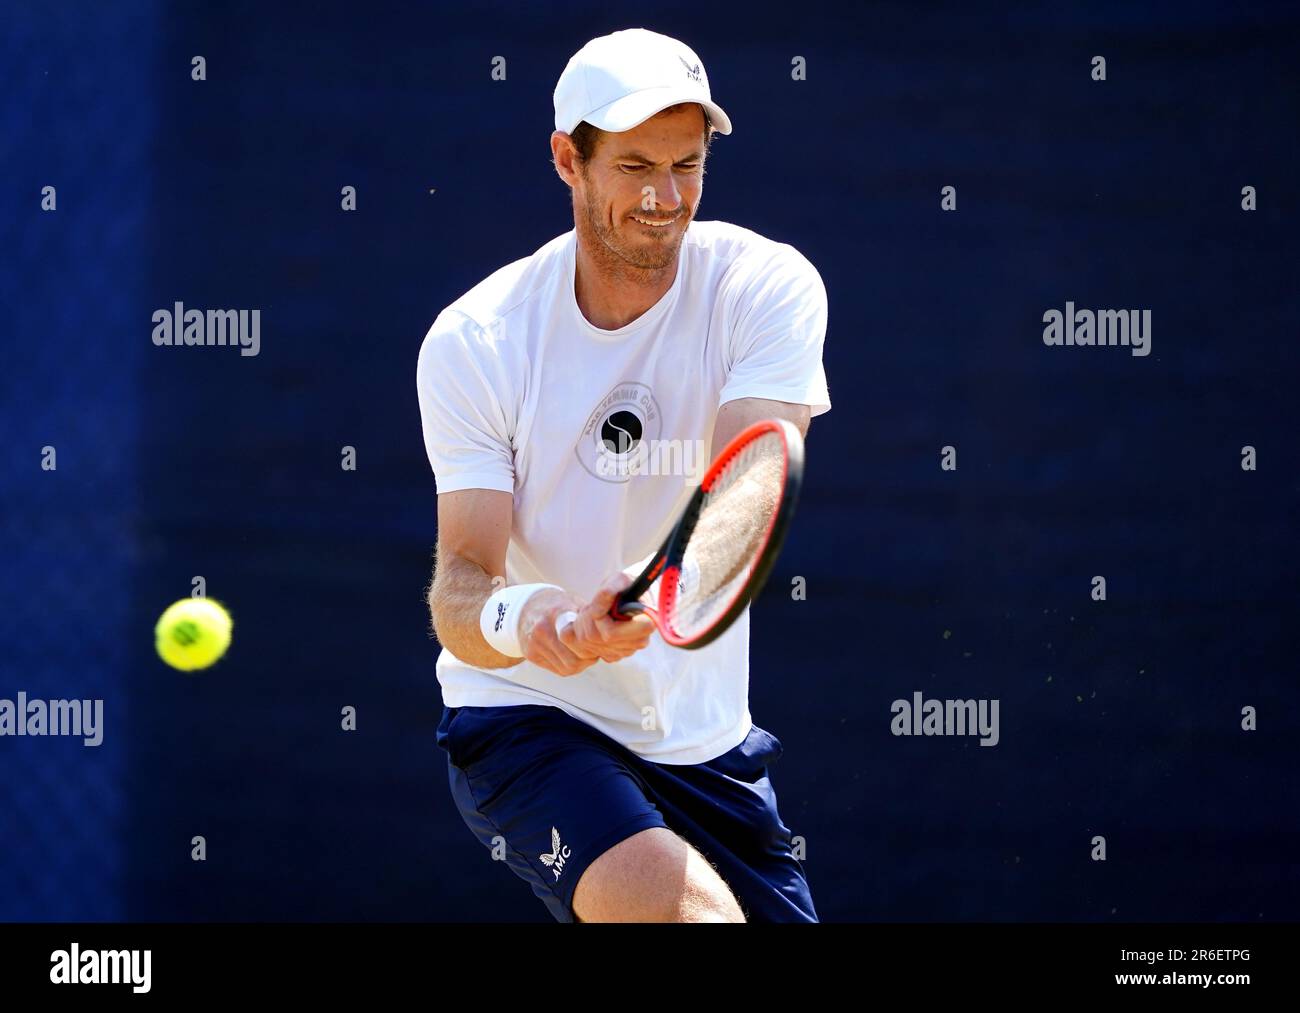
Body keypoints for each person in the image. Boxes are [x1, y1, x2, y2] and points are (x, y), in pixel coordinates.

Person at [417, 27, 830, 923]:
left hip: (702, 741)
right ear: (569, 159)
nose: (665, 197)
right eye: (636, 165)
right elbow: (460, 588)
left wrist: (660, 590)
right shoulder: (477, 340)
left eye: (688, 165)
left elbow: (753, 476)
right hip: (527, 719)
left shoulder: (766, 285)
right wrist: (543, 620)